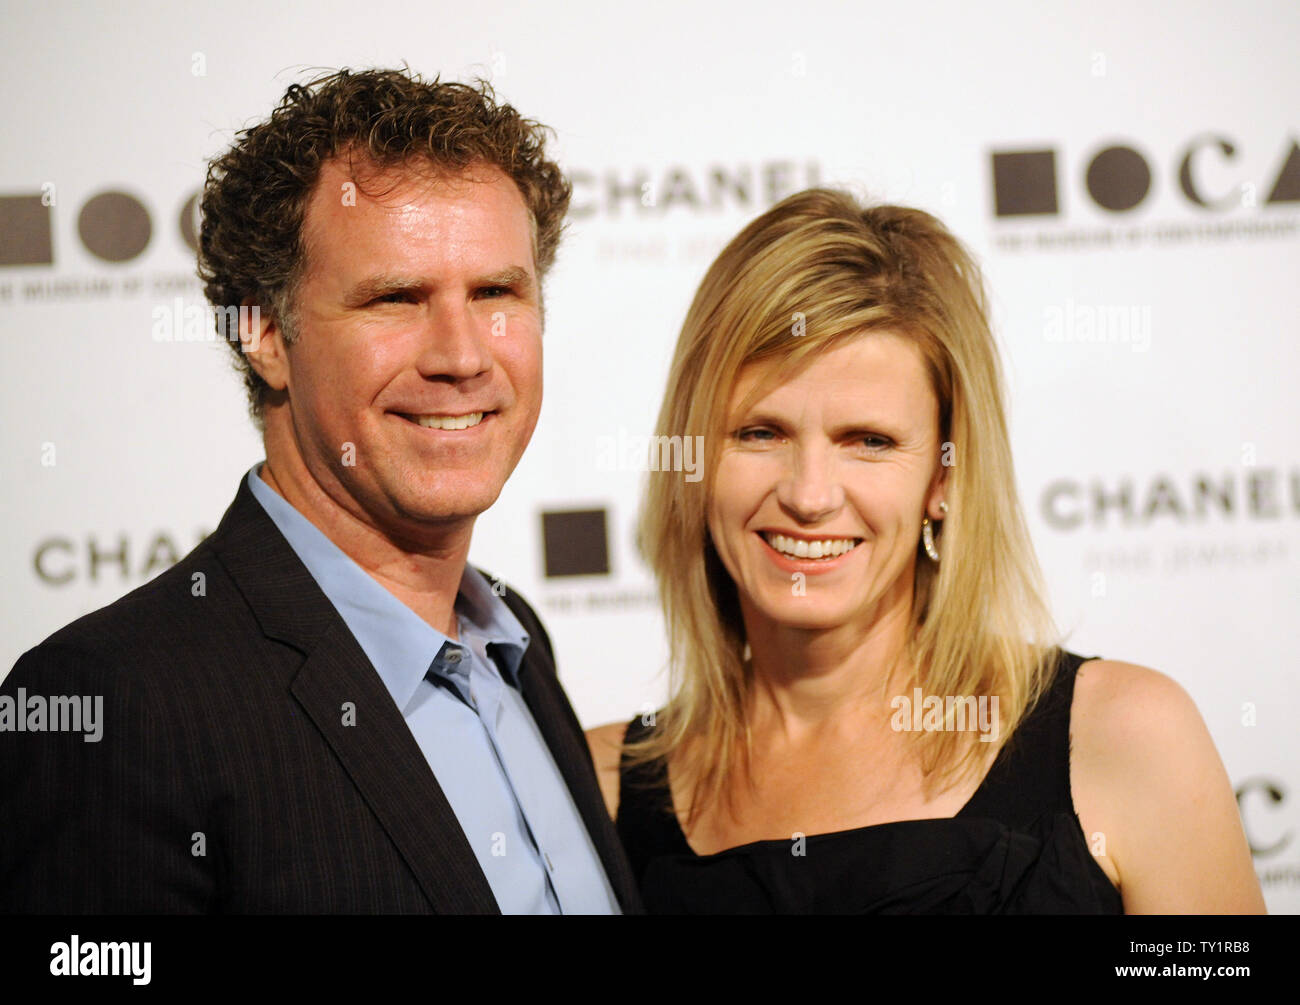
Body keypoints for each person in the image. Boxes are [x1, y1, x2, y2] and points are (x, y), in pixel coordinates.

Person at [0, 68, 640, 914]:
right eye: (396, 298)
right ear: (262, 330)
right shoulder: (115, 709)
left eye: (495, 292)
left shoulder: (518, 648)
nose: (462, 355)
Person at [587, 188, 1265, 914]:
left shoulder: (1124, 735)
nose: (810, 495)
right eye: (761, 433)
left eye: (869, 441)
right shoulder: (595, 790)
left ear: (943, 475)